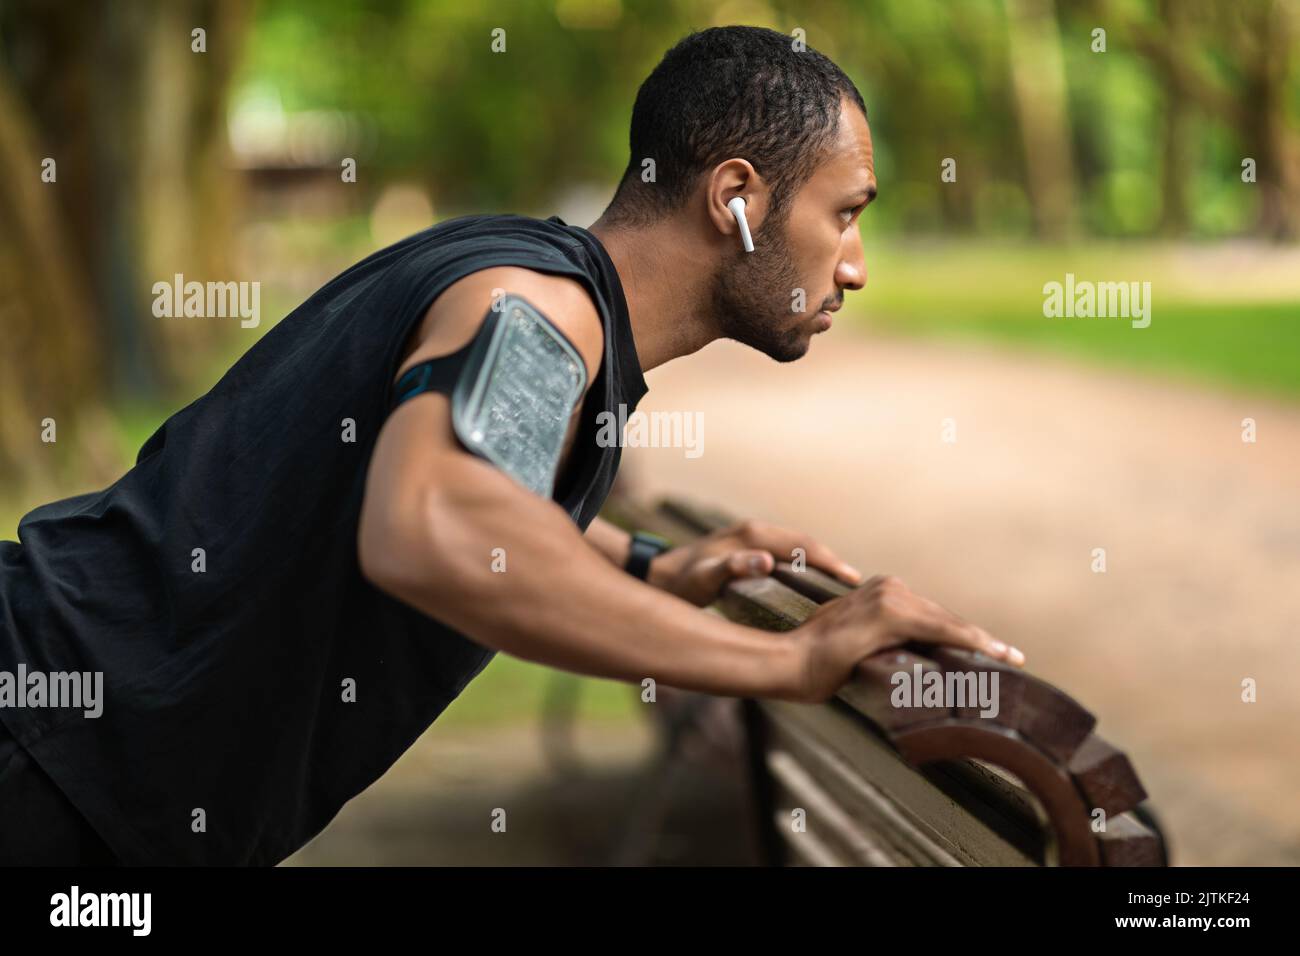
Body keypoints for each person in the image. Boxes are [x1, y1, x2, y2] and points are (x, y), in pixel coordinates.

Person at [0, 25, 1024, 866]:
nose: (852, 266)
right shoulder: (538, 309)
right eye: (845, 215)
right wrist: (784, 657)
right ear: (738, 200)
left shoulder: (536, 286)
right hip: (48, 746)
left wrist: (646, 562)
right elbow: (434, 523)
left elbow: (486, 486)